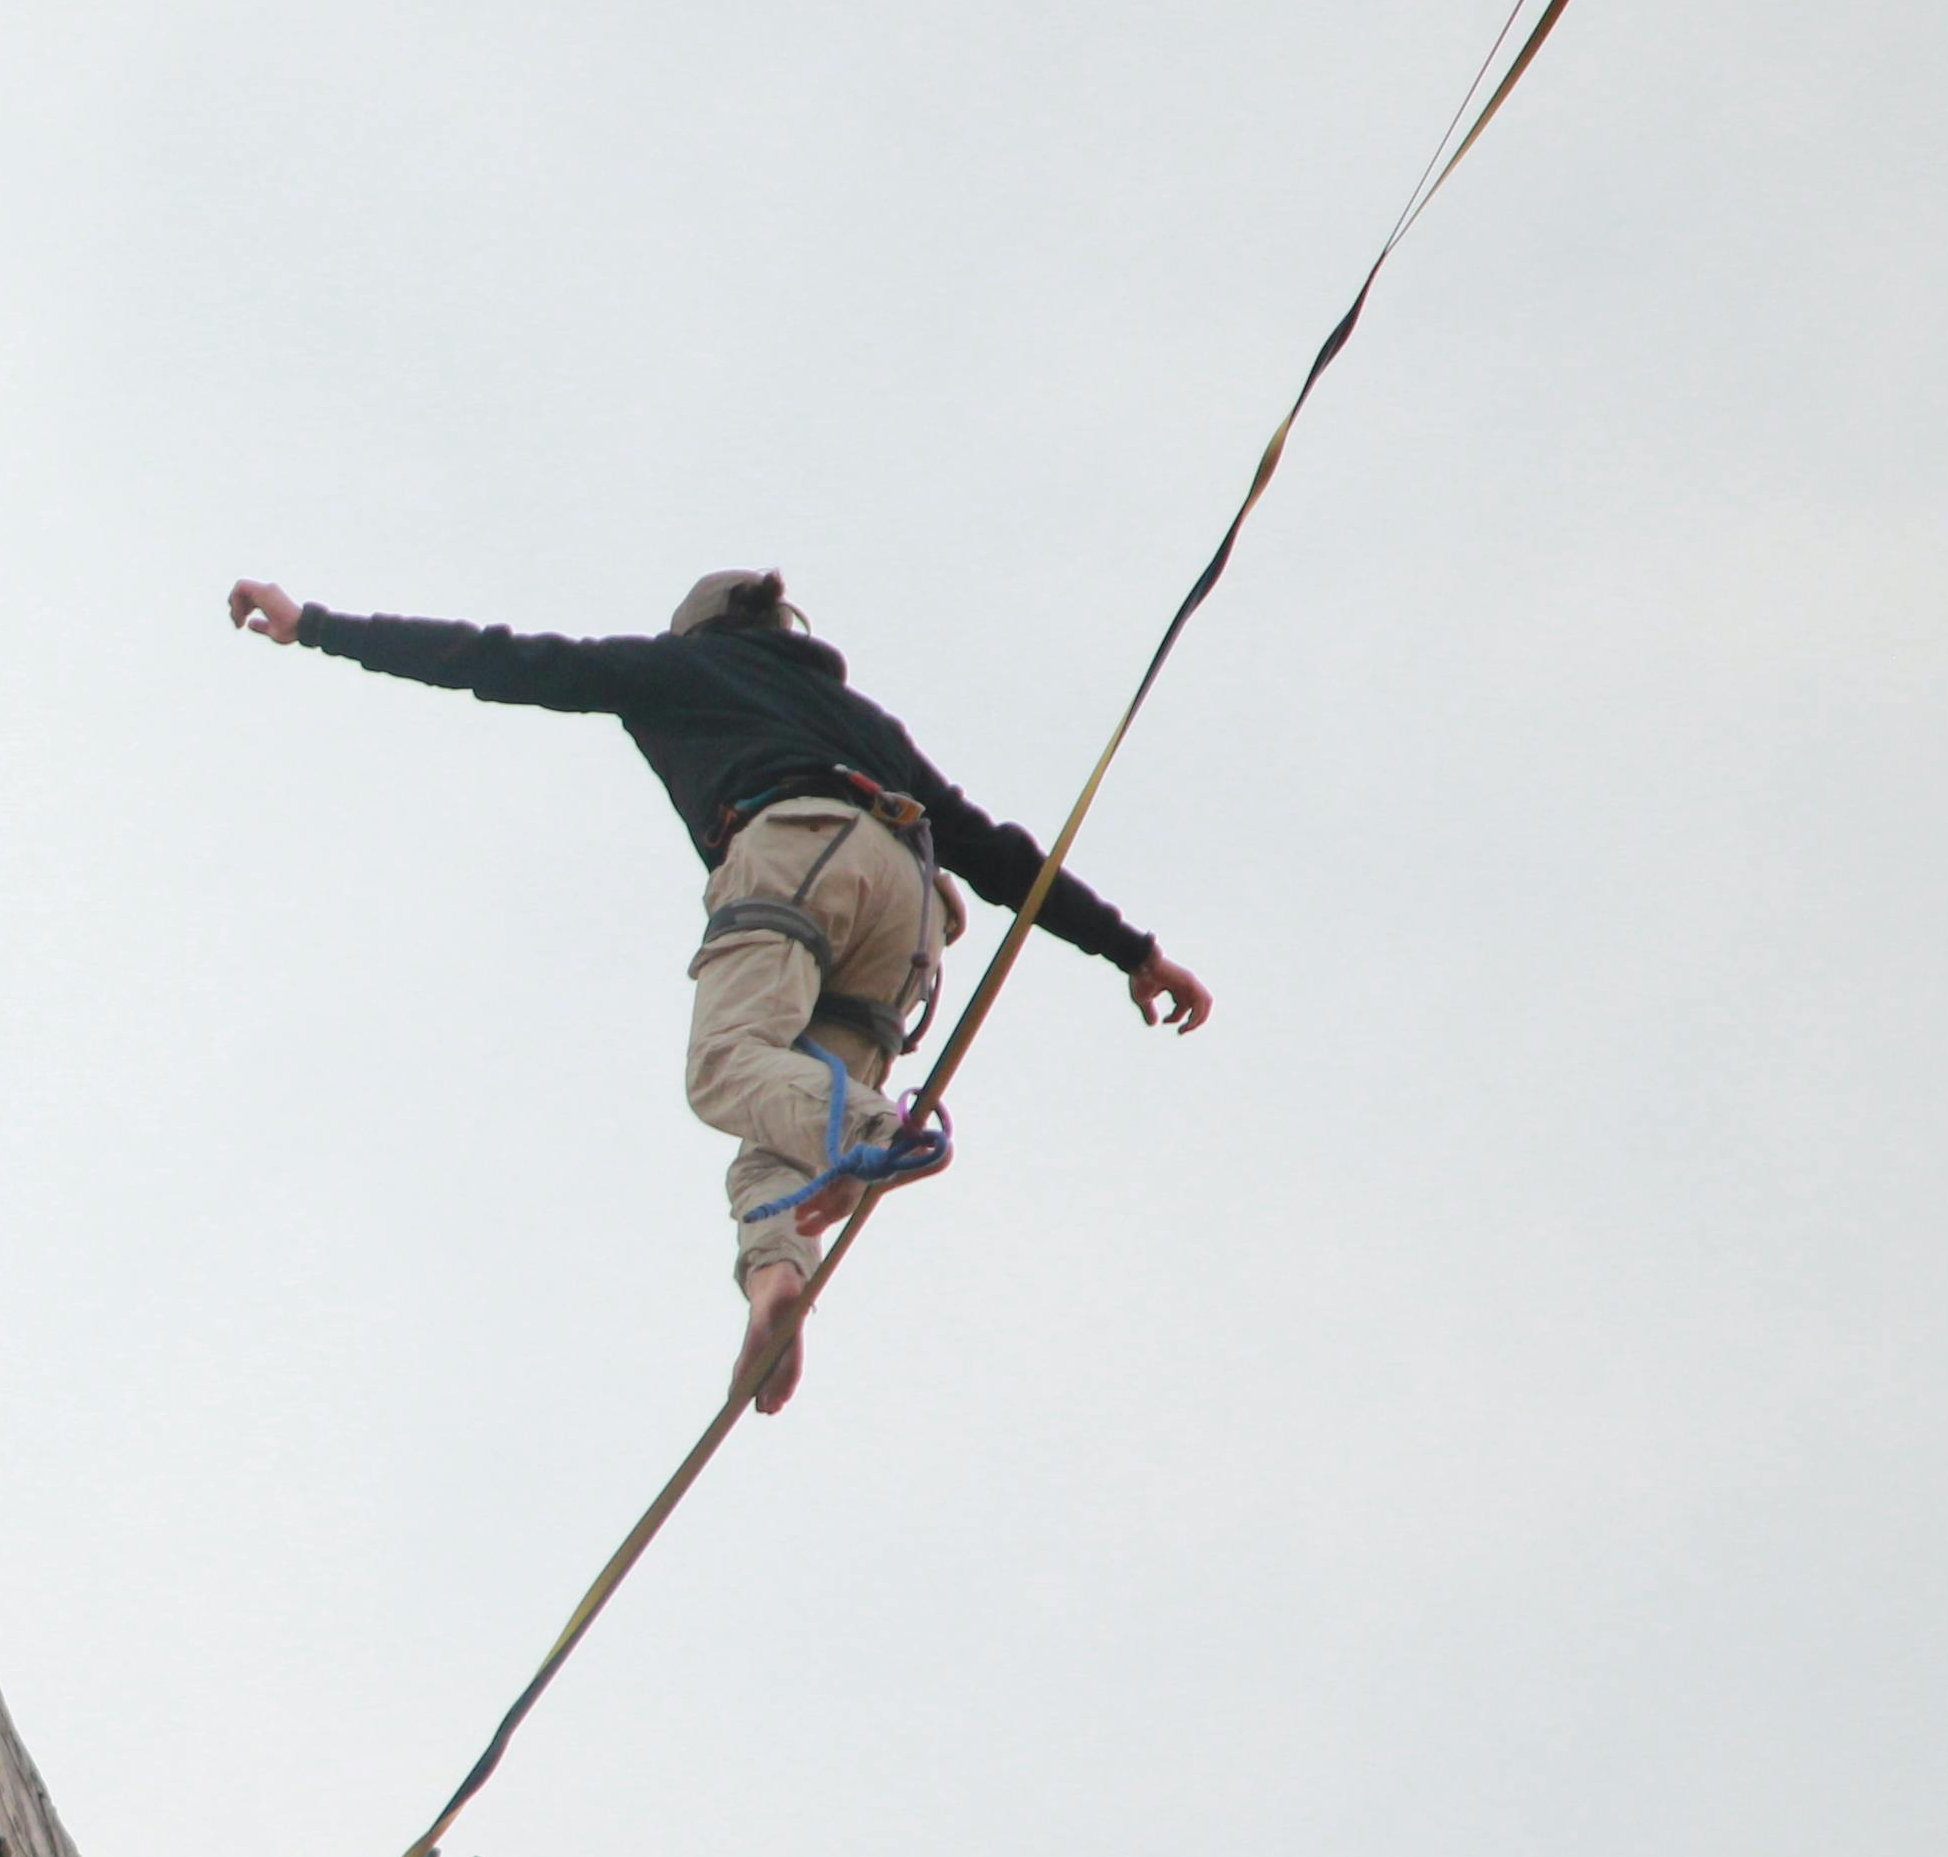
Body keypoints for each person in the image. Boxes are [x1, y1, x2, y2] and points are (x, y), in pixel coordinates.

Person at [226, 565, 1210, 1413]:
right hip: (910, 908)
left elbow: (494, 658)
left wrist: (311, 624)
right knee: (777, 1135)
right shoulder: (863, 721)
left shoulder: (679, 670)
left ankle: (875, 1132)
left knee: (727, 1066)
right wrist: (1129, 950)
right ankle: (777, 1281)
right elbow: (995, 853)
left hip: (798, 851)